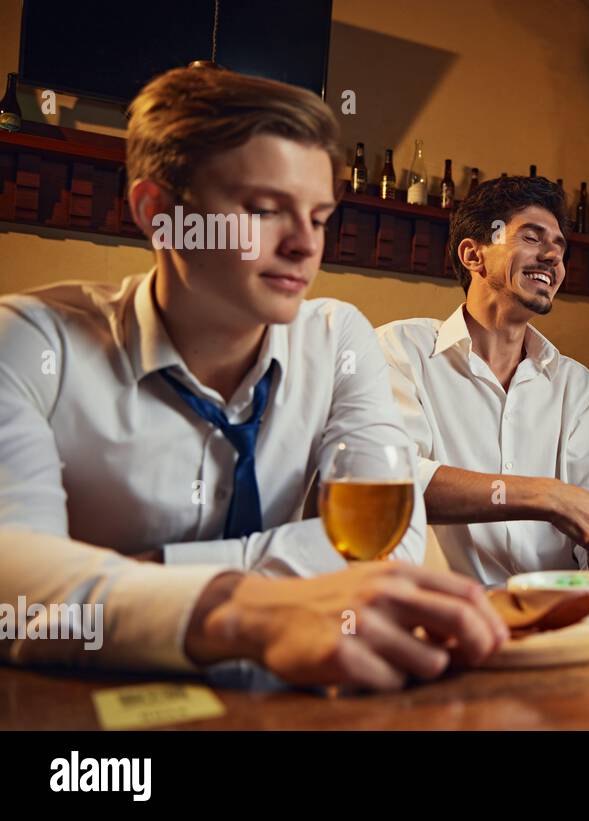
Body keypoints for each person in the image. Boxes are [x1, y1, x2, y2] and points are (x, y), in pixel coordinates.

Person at [0, 65, 505, 686]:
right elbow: (11, 589)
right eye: (266, 210)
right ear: (158, 212)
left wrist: (151, 572)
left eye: (318, 217)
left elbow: (386, 549)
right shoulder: (27, 342)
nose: (304, 246)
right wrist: (236, 610)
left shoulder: (337, 336)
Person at [379, 176, 589, 583]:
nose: (552, 257)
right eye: (531, 237)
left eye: (560, 248)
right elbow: (388, 484)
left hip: (561, 613)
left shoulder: (573, 383)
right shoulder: (401, 349)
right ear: (473, 255)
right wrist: (546, 494)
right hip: (444, 621)